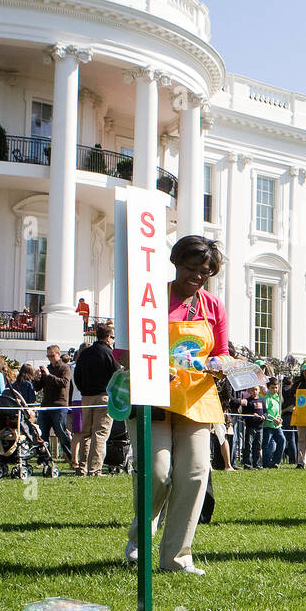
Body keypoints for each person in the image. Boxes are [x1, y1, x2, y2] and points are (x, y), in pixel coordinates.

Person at [126, 235, 229, 575]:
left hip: (197, 399)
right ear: (176, 263)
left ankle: (177, 558)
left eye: (205, 272)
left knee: (195, 473)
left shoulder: (213, 307)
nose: (198, 277)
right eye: (192, 269)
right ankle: (142, 533)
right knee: (157, 473)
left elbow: (220, 352)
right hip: (153, 397)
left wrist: (221, 365)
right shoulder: (150, 299)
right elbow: (124, 351)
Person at [73, 323, 118, 476]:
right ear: (107, 337)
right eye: (112, 337)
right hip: (103, 396)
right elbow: (117, 374)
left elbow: (77, 376)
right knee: (100, 433)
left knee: (85, 433)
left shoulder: (84, 353)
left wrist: (83, 390)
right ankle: (95, 469)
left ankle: (82, 467)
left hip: (86, 397)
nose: (112, 340)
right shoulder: (110, 354)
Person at [36, 345, 76, 469]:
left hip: (59, 406)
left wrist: (49, 376)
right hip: (46, 405)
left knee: (61, 433)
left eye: (52, 355)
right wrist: (37, 378)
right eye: (48, 356)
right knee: (43, 434)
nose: (50, 358)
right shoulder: (47, 369)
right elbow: (38, 388)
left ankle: (71, 458)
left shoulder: (65, 368)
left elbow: (64, 383)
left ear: (58, 354)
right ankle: (43, 459)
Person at [262, 377, 285, 468]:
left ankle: (275, 462)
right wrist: (273, 419)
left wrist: (279, 418)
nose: (275, 389)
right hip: (268, 425)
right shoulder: (267, 398)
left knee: (282, 440)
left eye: (276, 387)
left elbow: (278, 412)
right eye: (272, 388)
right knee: (267, 445)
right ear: (268, 388)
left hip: (277, 426)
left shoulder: (278, 398)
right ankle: (266, 463)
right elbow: (266, 412)